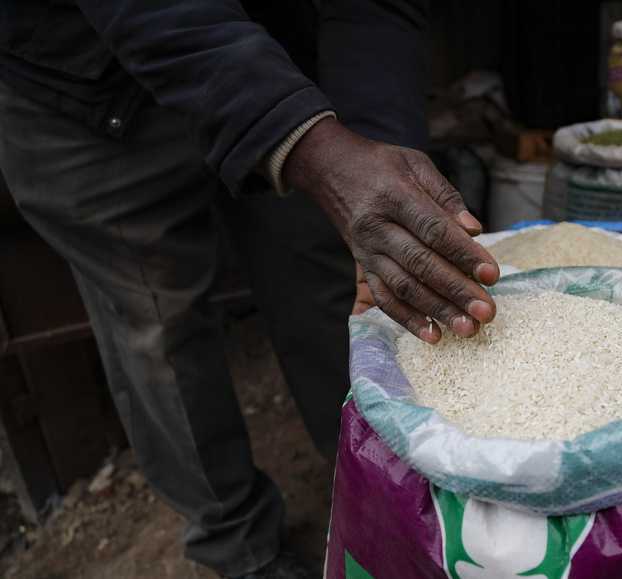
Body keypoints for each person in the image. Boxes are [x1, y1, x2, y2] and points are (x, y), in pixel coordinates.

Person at [0, 1, 499, 578]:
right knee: (156, 325)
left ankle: (374, 482)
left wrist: (374, 154)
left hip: (274, 44)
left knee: (332, 276)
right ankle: (240, 548)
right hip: (85, 85)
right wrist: (309, 142)